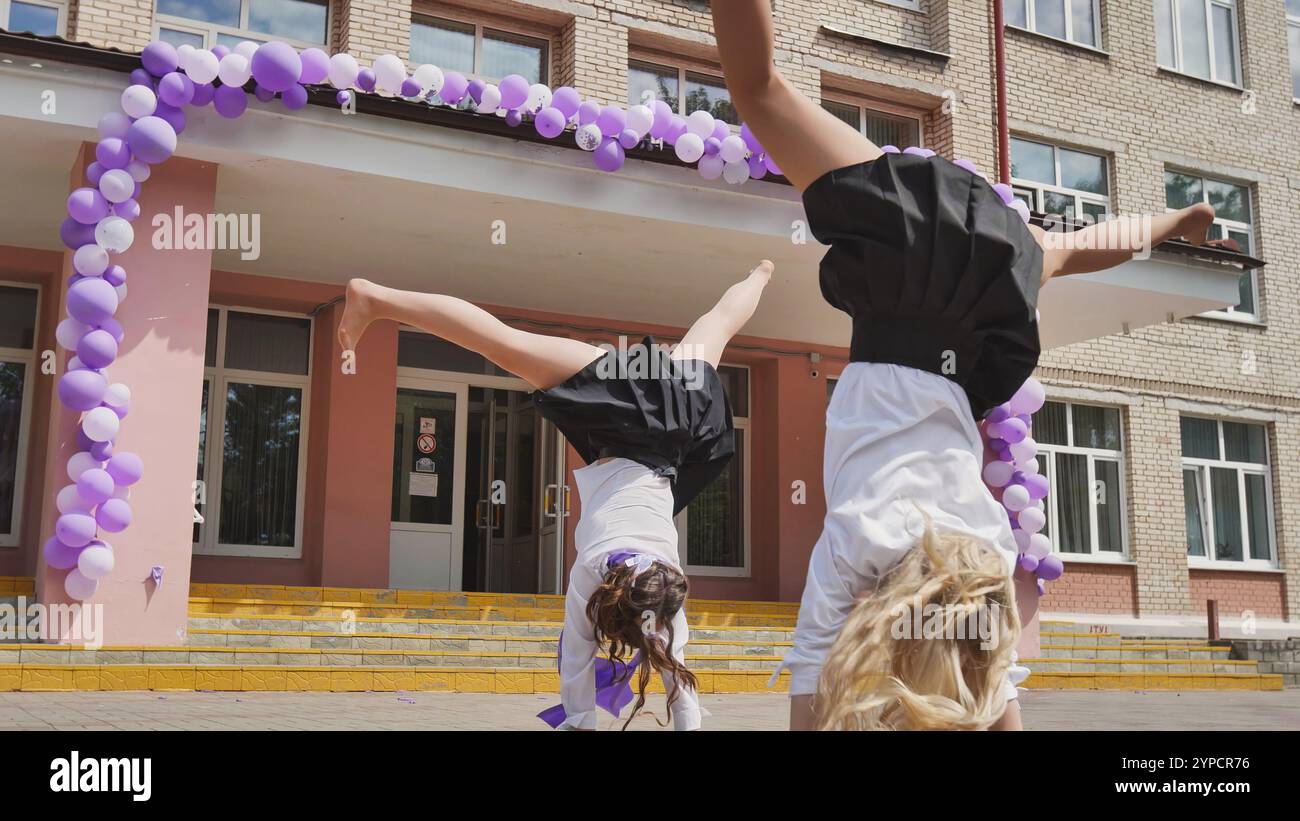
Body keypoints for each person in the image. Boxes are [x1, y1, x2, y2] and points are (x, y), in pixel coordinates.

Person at [708, 0, 1232, 730]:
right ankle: (1168, 224)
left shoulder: (986, 554)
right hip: (909, 265)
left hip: (981, 275)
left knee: (1062, 252)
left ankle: (1171, 222)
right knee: (761, 91)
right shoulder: (852, 546)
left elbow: (1002, 697)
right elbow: (807, 676)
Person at [337, 261, 773, 729]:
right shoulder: (593, 572)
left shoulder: (668, 588)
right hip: (620, 419)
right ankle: (376, 297)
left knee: (716, 326)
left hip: (677, 421)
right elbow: (578, 656)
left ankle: (761, 275)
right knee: (505, 345)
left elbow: (676, 678)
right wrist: (580, 721)